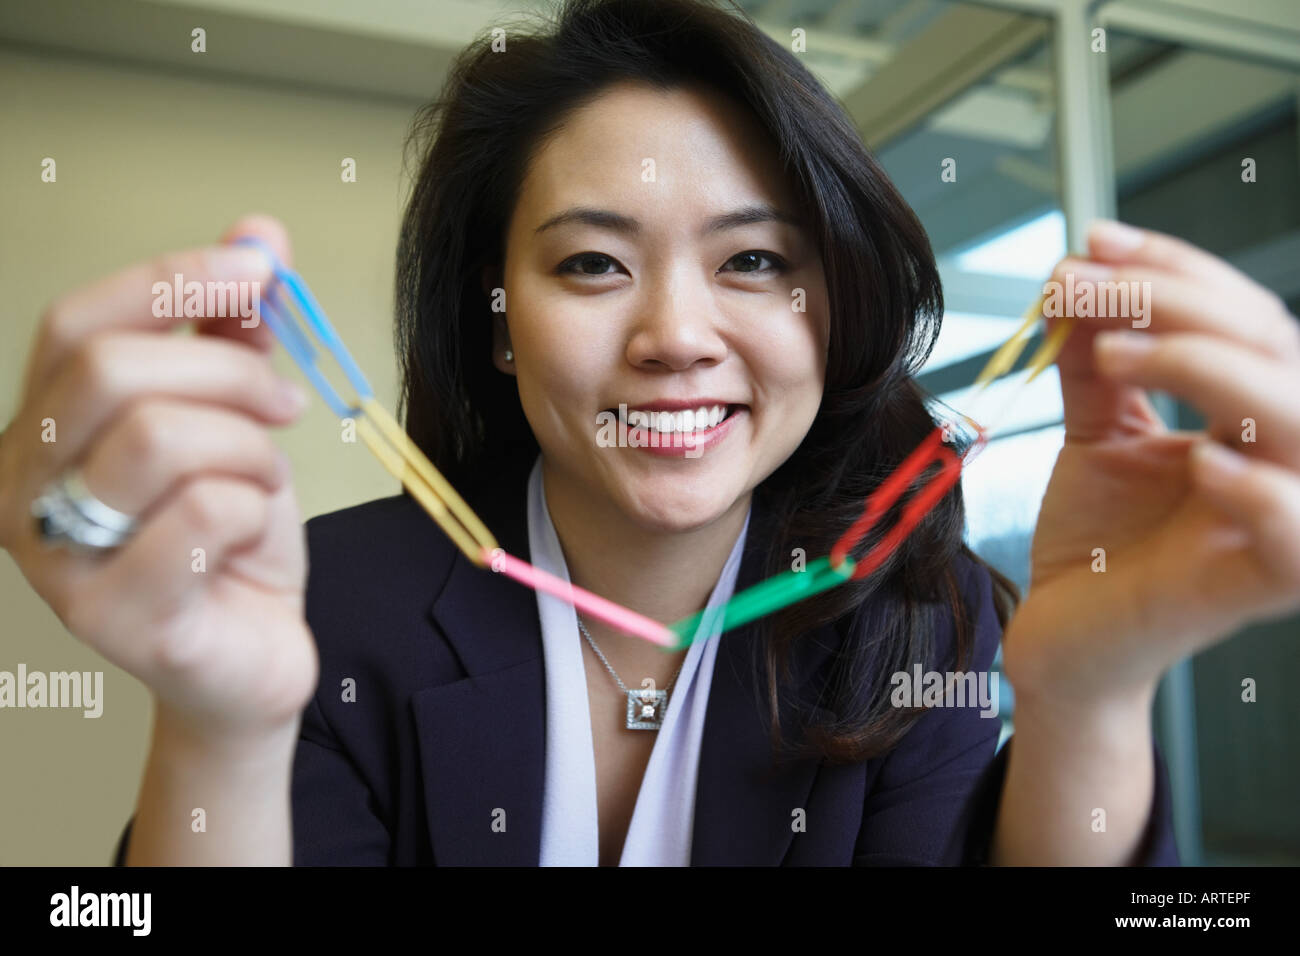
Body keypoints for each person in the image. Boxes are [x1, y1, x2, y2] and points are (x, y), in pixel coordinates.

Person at [3, 0, 1297, 867]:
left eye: (753, 263)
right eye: (590, 267)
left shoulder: (915, 609)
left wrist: (1091, 699)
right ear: (499, 321)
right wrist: (217, 730)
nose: (678, 334)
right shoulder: (331, 605)